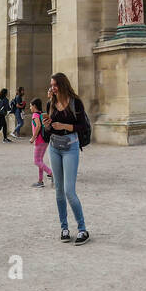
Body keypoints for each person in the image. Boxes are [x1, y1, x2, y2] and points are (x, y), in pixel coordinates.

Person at [43, 72, 90, 245]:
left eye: (55, 84)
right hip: (54, 147)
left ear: (62, 85)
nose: (52, 88)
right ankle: (64, 227)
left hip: (71, 147)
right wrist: (47, 126)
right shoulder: (51, 103)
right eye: (51, 85)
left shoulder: (75, 102)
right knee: (58, 191)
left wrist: (64, 125)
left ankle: (82, 229)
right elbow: (47, 130)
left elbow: (83, 125)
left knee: (69, 191)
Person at [30, 98, 52, 188]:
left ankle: (52, 174)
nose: (30, 108)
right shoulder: (42, 114)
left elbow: (38, 125)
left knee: (36, 161)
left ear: (34, 106)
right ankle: (40, 181)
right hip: (45, 140)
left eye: (31, 106)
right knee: (40, 160)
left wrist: (33, 138)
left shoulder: (35, 115)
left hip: (39, 140)